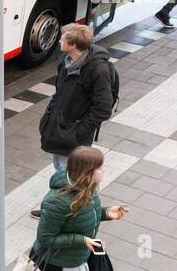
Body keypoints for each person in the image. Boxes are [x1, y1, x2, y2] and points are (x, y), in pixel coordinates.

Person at [32, 23, 115, 218]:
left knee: (69, 175)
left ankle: (66, 212)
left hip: (73, 133)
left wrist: (78, 132)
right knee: (63, 171)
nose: (59, 41)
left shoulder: (97, 70)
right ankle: (70, 209)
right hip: (59, 128)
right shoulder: (66, 62)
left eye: (63, 39)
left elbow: (103, 108)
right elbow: (59, 93)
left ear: (73, 45)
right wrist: (48, 117)